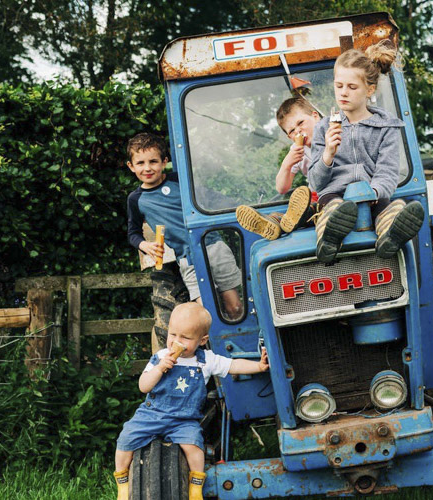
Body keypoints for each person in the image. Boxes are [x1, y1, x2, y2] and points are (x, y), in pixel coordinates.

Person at [113, 302, 269, 500]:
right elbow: (143, 386)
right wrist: (160, 368)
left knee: (195, 448)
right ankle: (123, 484)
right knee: (125, 440)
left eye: (185, 337)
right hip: (152, 414)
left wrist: (259, 366)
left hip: (183, 421)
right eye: (173, 335)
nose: (176, 342)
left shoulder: (206, 360)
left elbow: (233, 365)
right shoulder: (161, 356)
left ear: (202, 340)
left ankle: (196, 487)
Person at [308, 40, 424, 264]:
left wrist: (373, 192)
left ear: (369, 90)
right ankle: (329, 238)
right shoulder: (323, 128)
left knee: (389, 208)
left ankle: (389, 236)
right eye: (339, 85)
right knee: (332, 208)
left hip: (372, 198)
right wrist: (328, 155)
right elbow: (316, 183)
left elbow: (388, 172)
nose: (343, 93)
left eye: (352, 87)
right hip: (334, 195)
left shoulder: (386, 127)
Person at [126, 132, 243, 320]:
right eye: (140, 163)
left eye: (153, 161)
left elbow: (210, 198)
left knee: (235, 308)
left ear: (164, 162)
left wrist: (241, 206)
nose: (147, 168)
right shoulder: (136, 199)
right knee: (207, 313)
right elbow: (132, 233)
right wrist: (145, 245)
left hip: (213, 246)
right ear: (131, 166)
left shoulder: (179, 180)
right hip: (187, 258)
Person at [235, 96, 321, 240]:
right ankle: (275, 222)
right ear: (289, 137)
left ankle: (281, 220)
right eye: (292, 131)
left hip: (335, 194)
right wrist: (286, 164)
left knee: (314, 210)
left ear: (315, 116)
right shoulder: (297, 151)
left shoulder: (333, 134)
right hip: (315, 196)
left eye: (301, 123)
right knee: (307, 208)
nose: (298, 131)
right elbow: (282, 188)